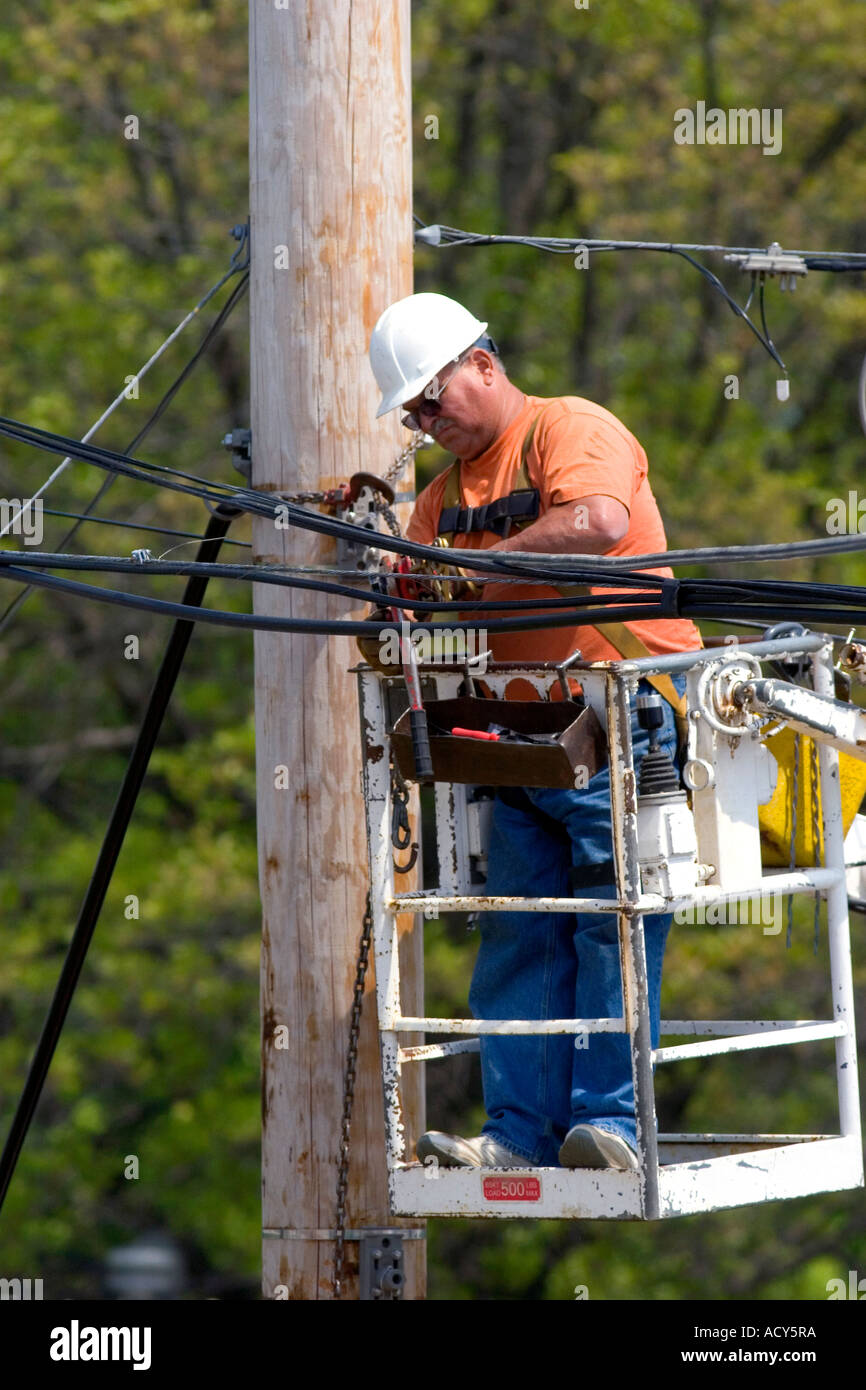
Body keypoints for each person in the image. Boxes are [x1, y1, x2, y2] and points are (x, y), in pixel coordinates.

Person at [368, 292, 703, 1170]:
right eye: (412, 413)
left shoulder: (566, 427)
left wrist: (471, 568)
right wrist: (399, 589)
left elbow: (598, 521)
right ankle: (520, 1134)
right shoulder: (440, 500)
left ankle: (612, 1125)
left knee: (610, 920)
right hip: (516, 730)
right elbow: (414, 599)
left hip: (619, 713)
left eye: (431, 398)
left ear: (483, 364)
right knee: (519, 928)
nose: (425, 421)